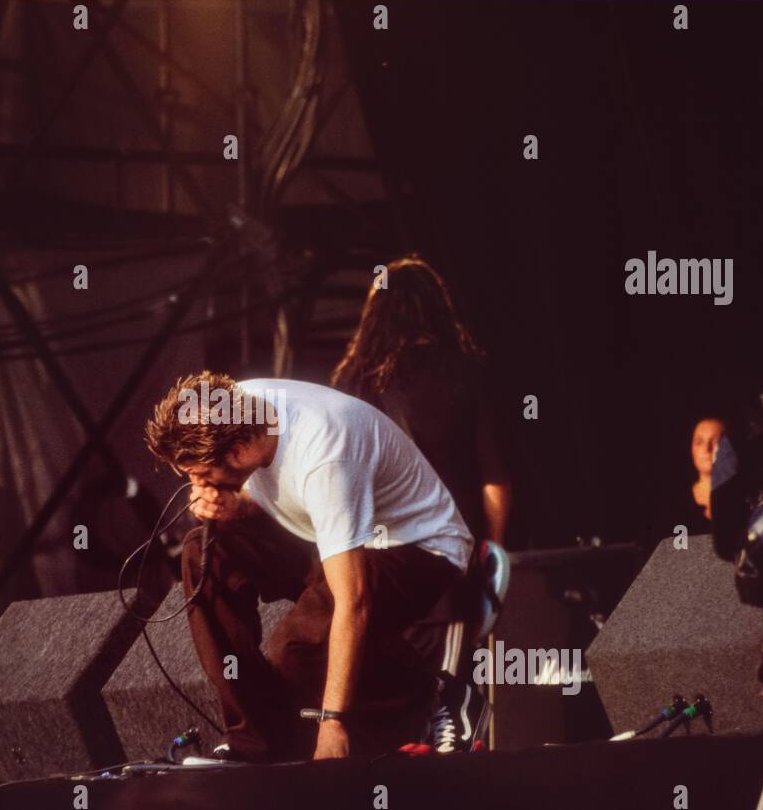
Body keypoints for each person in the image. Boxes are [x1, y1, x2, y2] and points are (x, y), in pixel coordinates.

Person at [144, 371, 477, 761]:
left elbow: (354, 601)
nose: (198, 487)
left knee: (297, 650)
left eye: (201, 475)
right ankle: (255, 739)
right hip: (326, 536)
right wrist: (238, 507)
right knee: (202, 551)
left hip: (417, 549)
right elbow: (286, 499)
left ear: (237, 454)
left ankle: (432, 693)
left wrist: (332, 722)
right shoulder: (239, 405)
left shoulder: (325, 453)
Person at [330, 256, 511, 546]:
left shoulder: (356, 379)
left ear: (376, 316)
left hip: (390, 548)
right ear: (439, 310)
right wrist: (492, 549)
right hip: (456, 543)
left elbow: (341, 481)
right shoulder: (468, 372)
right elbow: (495, 480)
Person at [687, 416, 726, 531]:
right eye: (699, 442)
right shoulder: (674, 504)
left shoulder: (748, 500)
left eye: (715, 441)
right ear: (692, 449)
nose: (707, 448)